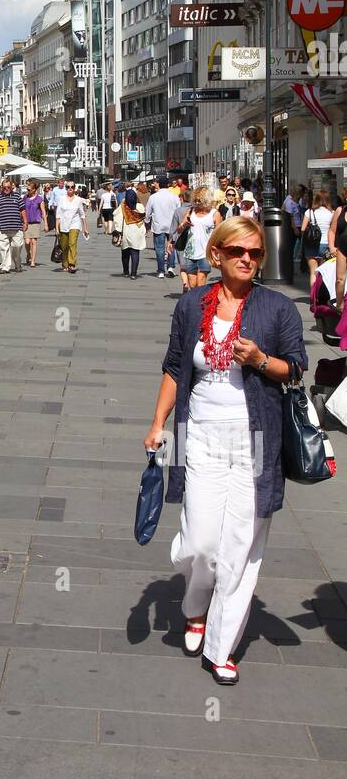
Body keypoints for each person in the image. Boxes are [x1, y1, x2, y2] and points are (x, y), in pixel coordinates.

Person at [144, 216, 307, 685]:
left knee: (240, 549)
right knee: (200, 543)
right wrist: (158, 424)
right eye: (238, 251)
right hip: (200, 435)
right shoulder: (192, 305)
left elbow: (296, 369)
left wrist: (261, 360)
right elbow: (175, 368)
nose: (247, 260)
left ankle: (221, 647)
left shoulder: (277, 309)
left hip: (257, 440)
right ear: (215, 254)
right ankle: (195, 605)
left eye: (256, 253)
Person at [174, 187, 221, 289]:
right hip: (190, 252)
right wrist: (184, 225)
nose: (197, 203)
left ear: (206, 200)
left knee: (200, 283)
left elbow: (220, 234)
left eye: (199, 200)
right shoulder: (191, 212)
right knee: (192, 284)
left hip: (205, 253)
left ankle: (199, 304)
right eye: (195, 200)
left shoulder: (215, 214)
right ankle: (194, 302)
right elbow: (178, 230)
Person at [300, 189, 335, 294]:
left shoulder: (309, 212)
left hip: (311, 245)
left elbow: (302, 229)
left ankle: (313, 296)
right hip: (326, 245)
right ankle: (322, 296)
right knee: (323, 273)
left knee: (313, 272)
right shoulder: (332, 213)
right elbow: (333, 230)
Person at [0, 177, 27, 274]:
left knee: (17, 246)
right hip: (2, 227)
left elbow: (22, 209)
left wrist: (25, 222)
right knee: (4, 248)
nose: (7, 189)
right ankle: (6, 266)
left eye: (8, 187)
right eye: (5, 187)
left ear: (11, 187)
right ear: (2, 188)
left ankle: (17, 263)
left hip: (16, 226)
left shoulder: (17, 196)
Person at [145, 178, 180, 279]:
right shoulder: (174, 196)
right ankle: (170, 266)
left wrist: (147, 222)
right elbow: (178, 210)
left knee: (159, 248)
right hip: (172, 225)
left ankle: (161, 270)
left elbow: (148, 212)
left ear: (159, 184)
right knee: (171, 246)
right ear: (168, 185)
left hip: (158, 225)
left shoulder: (153, 197)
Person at [57, 180, 89, 274]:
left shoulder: (78, 200)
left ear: (74, 188)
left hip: (75, 224)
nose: (70, 189)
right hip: (63, 224)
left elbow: (82, 215)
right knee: (64, 246)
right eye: (68, 187)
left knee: (72, 243)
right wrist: (56, 228)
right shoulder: (62, 199)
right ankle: (65, 263)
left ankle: (72, 264)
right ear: (66, 188)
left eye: (72, 187)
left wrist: (85, 228)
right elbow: (58, 215)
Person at [115, 186, 146, 278]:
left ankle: (126, 271)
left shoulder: (122, 207)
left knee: (125, 252)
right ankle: (134, 273)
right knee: (135, 252)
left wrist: (118, 230)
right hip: (138, 231)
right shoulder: (140, 207)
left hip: (126, 231)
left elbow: (117, 219)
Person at [23, 180, 48, 267]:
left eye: (29, 189)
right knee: (26, 242)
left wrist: (45, 224)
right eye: (27, 189)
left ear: (34, 190)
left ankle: (33, 261)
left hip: (35, 222)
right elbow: (21, 209)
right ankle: (28, 254)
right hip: (26, 222)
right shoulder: (25, 198)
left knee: (33, 241)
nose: (27, 191)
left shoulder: (39, 199)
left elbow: (43, 212)